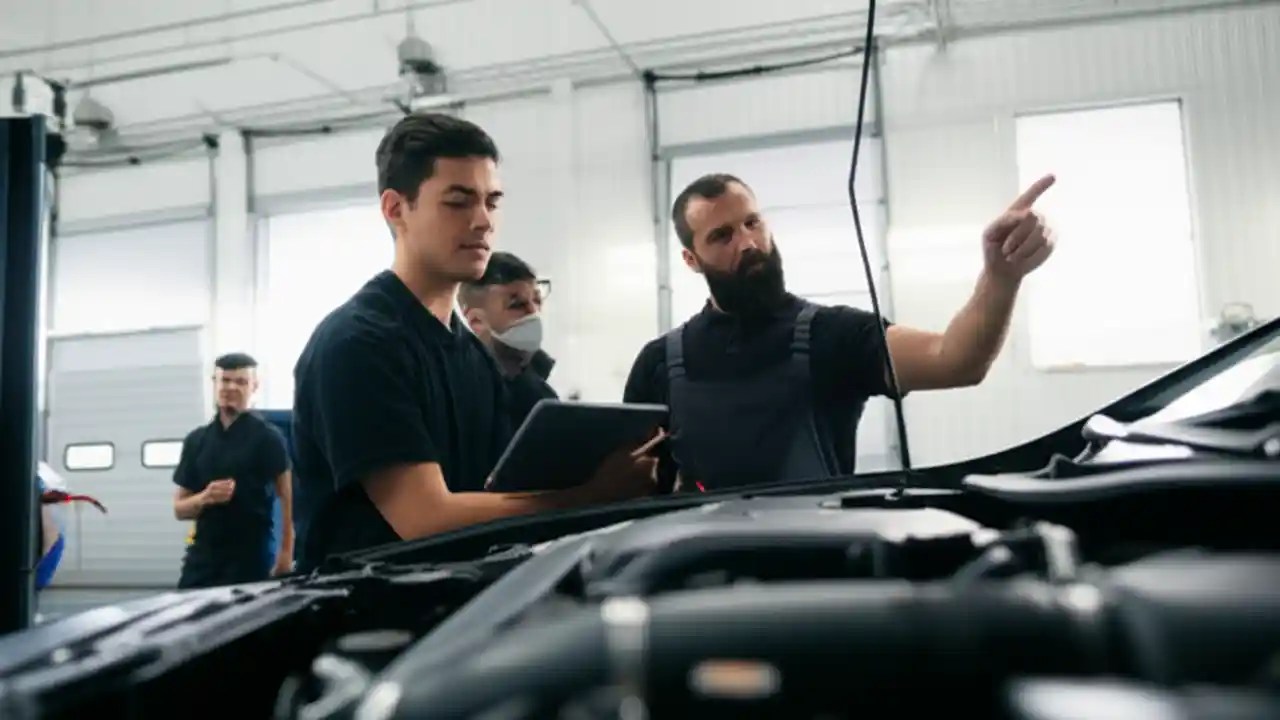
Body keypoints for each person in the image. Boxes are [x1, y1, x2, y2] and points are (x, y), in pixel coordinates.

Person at [290, 113, 658, 573]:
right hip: (362, 622)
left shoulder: (473, 358)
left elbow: (494, 493)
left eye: (492, 201)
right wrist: (587, 497)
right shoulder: (357, 344)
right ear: (395, 208)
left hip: (460, 610)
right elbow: (425, 518)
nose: (483, 222)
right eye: (459, 202)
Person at [624, 172, 1057, 491]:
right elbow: (629, 486)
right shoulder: (659, 364)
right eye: (721, 236)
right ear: (691, 260)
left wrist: (1001, 276)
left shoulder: (832, 336)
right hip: (696, 585)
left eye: (752, 223)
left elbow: (955, 360)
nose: (748, 243)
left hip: (818, 576)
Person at [172, 353, 294, 588]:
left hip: (252, 562)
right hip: (203, 561)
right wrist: (206, 497)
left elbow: (287, 500)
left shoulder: (269, 439)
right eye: (225, 380)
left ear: (254, 387)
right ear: (214, 383)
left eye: (241, 381)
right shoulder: (196, 441)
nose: (231, 387)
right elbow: (179, 509)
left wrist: (286, 554)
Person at [458, 250, 559, 430]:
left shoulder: (541, 393)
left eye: (537, 300)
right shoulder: (460, 395)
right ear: (477, 321)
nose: (534, 312)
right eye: (518, 305)